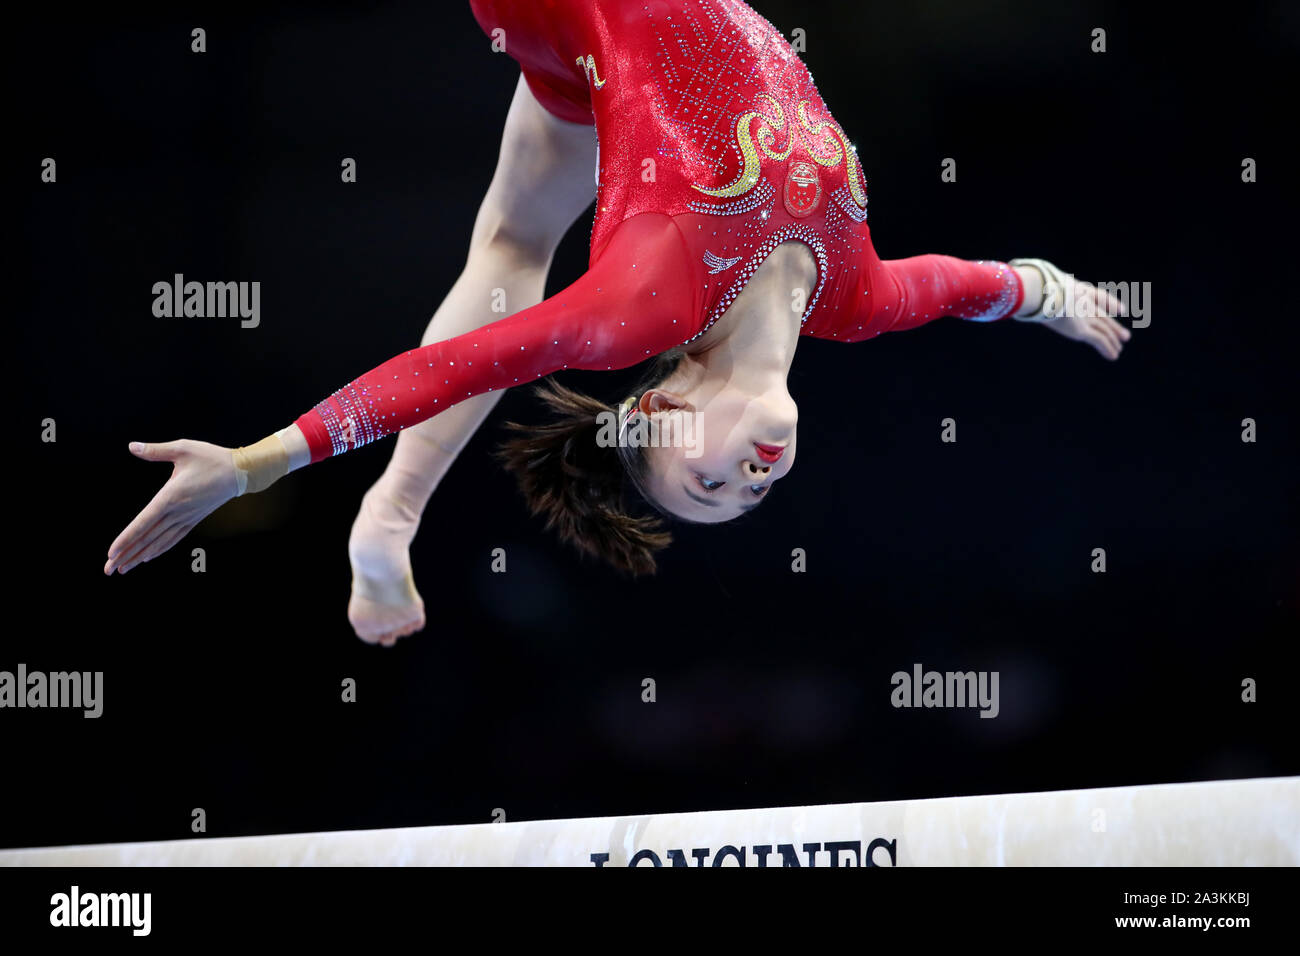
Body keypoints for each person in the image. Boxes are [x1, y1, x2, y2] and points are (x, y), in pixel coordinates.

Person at [104, 0, 1131, 649]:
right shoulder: (854, 301)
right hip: (587, 60)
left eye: (706, 480)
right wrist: (1050, 293)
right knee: (507, 252)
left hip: (558, 16)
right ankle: (394, 513)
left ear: (665, 401)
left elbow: (457, 365)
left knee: (511, 266)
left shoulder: (648, 302)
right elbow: (966, 283)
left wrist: (257, 463)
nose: (750, 478)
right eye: (747, 498)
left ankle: (396, 505)